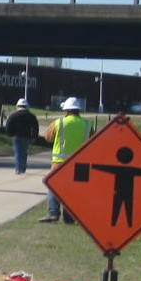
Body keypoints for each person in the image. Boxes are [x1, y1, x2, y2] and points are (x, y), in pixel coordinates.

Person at [39, 96, 93, 224]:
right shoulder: (87, 124)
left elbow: (47, 137)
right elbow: (93, 141)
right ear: (78, 110)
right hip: (80, 164)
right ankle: (69, 217)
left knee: (53, 186)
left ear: (66, 110)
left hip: (60, 162)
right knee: (74, 190)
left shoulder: (59, 122)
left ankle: (53, 213)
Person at [5, 98, 39, 174]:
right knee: (24, 152)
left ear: (17, 106)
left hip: (16, 137)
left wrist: (9, 134)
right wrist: (34, 136)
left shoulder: (13, 116)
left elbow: (8, 125)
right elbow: (35, 127)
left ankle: (18, 168)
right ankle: (23, 168)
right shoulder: (31, 116)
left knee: (18, 152)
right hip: (27, 137)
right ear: (27, 106)